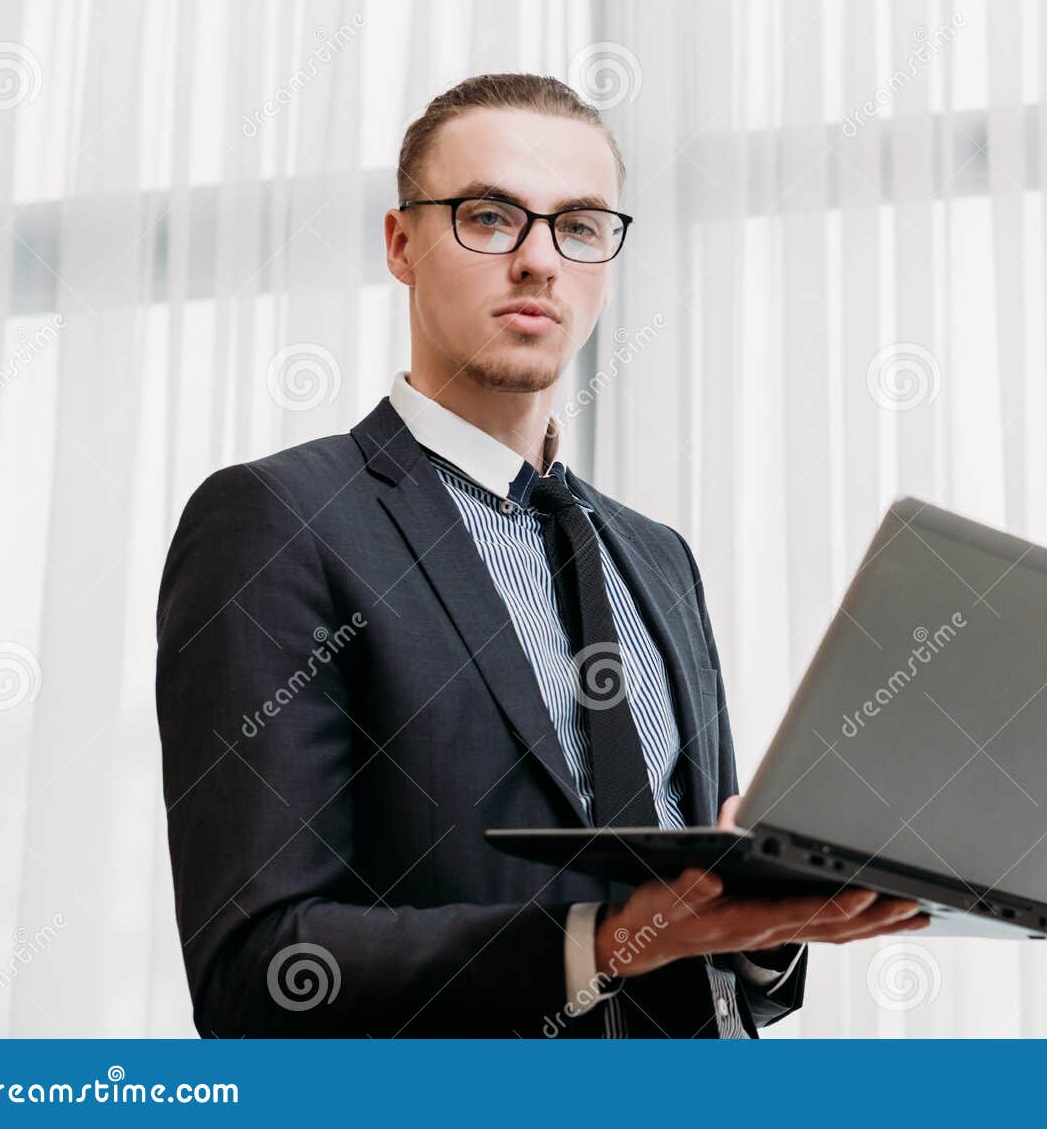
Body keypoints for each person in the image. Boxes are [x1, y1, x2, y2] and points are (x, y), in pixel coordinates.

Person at [155, 73, 927, 1038]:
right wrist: (599, 944)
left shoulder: (658, 558)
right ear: (401, 244)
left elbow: (706, 950)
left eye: (580, 226)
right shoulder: (277, 520)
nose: (539, 261)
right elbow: (258, 971)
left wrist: (766, 931)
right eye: (489, 218)